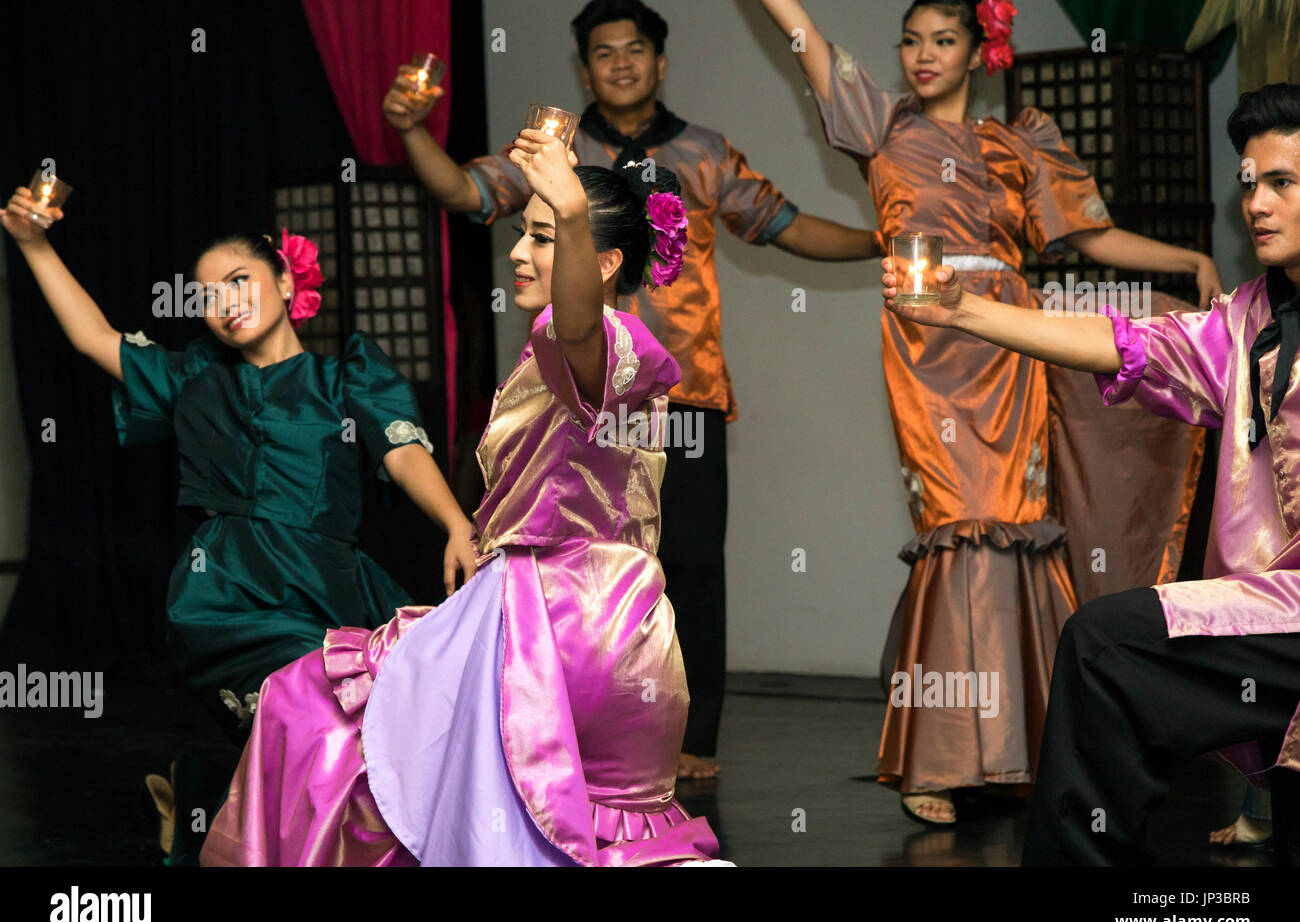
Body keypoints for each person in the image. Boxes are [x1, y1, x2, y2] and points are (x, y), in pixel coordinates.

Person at [382, 0, 881, 780]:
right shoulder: (554, 149)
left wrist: (885, 242)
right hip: (579, 392)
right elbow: (464, 194)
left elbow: (787, 225)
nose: (621, 63)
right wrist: (413, 129)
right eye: (604, 53)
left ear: (659, 61)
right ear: (586, 70)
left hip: (683, 397)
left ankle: (692, 737)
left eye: (635, 49)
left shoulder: (705, 152)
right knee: (591, 556)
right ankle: (576, 725)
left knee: (688, 562)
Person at [200, 128, 725, 866]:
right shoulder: (607, 354)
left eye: (540, 237)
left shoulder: (599, 342)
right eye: (524, 233)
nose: (517, 251)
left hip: (556, 630)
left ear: (602, 263)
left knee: (308, 705)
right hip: (620, 628)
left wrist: (570, 208)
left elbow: (577, 322)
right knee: (593, 836)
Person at [758, 0, 1221, 824]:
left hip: (1011, 335)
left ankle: (1032, 746)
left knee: (1017, 522)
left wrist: (1186, 257)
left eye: (944, 40)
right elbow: (807, 42)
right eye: (911, 40)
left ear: (980, 51)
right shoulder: (881, 125)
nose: (923, 55)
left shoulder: (1022, 140)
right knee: (959, 519)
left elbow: (1090, 238)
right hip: (928, 339)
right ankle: (939, 761)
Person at [880, 82, 1300, 865]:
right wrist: (960, 311)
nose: (1258, 205)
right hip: (1275, 609)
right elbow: (1120, 343)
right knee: (1105, 648)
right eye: (1250, 183)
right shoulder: (1244, 320)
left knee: (1105, 643)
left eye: (1282, 183)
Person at [0, 191, 478, 864]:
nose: (224, 302)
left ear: (285, 281)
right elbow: (92, 338)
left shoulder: (347, 377)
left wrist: (456, 522)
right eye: (206, 295)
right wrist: (32, 244)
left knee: (369, 739)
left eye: (239, 282)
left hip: (330, 586)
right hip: (228, 590)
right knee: (308, 701)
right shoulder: (193, 377)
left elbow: (402, 449)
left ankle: (200, 795)